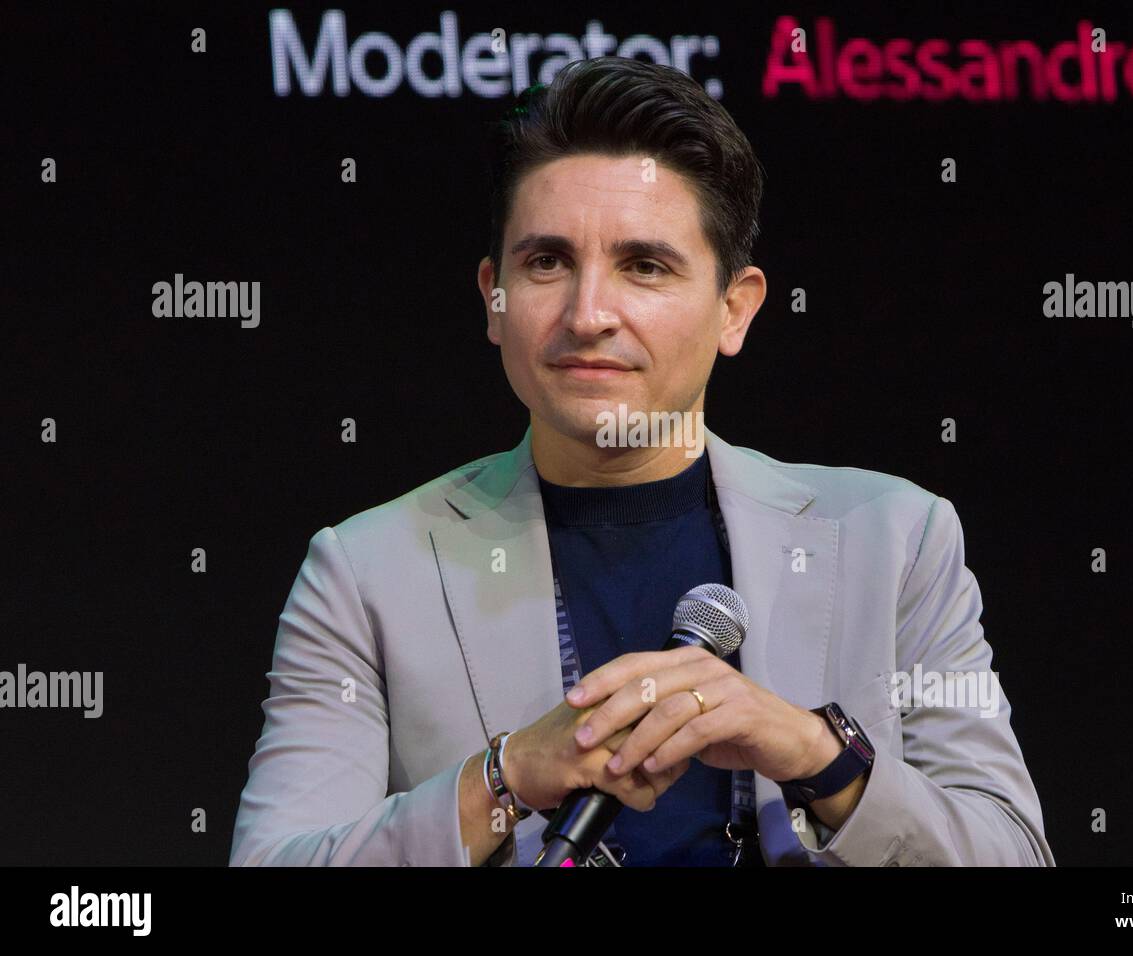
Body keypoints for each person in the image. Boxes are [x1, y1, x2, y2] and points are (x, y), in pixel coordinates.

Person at [229, 56, 1054, 867]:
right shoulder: (366, 572)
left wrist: (812, 752)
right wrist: (507, 775)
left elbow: (1012, 853)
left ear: (736, 309)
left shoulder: (895, 539)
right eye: (546, 262)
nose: (588, 314)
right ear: (495, 298)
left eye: (644, 266)